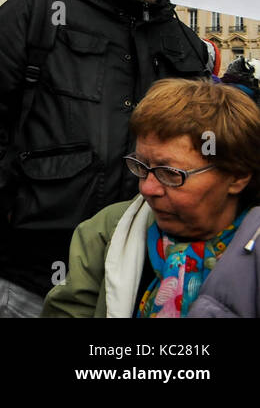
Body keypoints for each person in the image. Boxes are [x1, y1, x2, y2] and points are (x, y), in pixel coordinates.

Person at [0, 0, 209, 317]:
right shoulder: (37, 12)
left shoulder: (185, 43)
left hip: (152, 277)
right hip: (40, 276)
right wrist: (10, 209)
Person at [43, 79, 260, 317]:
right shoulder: (105, 232)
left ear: (237, 176)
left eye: (170, 173)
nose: (147, 188)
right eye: (141, 166)